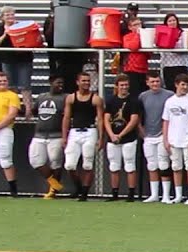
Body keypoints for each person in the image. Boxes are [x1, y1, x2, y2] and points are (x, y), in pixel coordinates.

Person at [60, 72, 103, 202]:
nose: (86, 83)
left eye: (88, 81)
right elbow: (66, 117)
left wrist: (101, 137)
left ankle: (84, 192)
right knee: (69, 165)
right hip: (74, 131)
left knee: (88, 164)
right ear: (77, 82)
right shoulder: (71, 98)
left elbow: (100, 119)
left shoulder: (96, 99)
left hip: (90, 131)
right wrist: (64, 136)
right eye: (83, 81)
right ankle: (78, 186)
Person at [161, 74, 188, 205]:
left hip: (187, 139)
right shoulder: (169, 101)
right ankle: (178, 195)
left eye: (187, 85)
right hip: (173, 139)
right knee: (176, 167)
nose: (185, 87)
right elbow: (166, 121)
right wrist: (165, 139)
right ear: (176, 84)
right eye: (182, 84)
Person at [103, 74, 142, 202]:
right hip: (113, 138)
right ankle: (114, 193)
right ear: (117, 86)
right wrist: (111, 134)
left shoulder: (134, 101)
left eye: (126, 85)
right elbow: (106, 119)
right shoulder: (110, 100)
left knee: (130, 165)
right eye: (122, 85)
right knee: (114, 166)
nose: (124, 87)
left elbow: (134, 120)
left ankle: (131, 194)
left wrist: (121, 135)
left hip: (128, 138)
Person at [0, 6, 34, 118]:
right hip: (7, 61)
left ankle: (28, 110)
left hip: (23, 60)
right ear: (2, 17)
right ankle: (13, 110)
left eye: (12, 14)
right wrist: (5, 34)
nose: (10, 17)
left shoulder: (21, 26)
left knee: (25, 86)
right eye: (7, 15)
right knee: (11, 86)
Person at [29, 76, 66, 199]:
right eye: (58, 82)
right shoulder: (41, 97)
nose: (60, 85)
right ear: (51, 82)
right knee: (35, 161)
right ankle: (55, 184)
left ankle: (53, 191)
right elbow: (35, 111)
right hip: (39, 134)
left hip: (56, 135)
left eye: (62, 83)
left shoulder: (65, 98)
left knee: (56, 162)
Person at [138, 71, 172, 203]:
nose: (155, 84)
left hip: (163, 135)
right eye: (152, 81)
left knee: (164, 164)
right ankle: (154, 194)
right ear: (147, 83)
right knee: (152, 165)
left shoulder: (169, 95)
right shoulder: (143, 96)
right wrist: (142, 133)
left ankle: (166, 195)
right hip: (148, 136)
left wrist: (167, 135)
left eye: (157, 81)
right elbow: (138, 117)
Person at [0, 69, 21, 196]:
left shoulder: (12, 96)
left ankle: (13, 189)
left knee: (5, 159)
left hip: (4, 130)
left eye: (4, 81)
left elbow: (12, 114)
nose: (2, 83)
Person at [121, 17, 153, 97]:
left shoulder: (146, 36)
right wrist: (138, 35)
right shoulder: (127, 37)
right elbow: (133, 47)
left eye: (139, 24)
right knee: (134, 94)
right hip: (131, 70)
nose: (138, 26)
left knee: (144, 94)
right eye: (135, 25)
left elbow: (149, 53)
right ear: (130, 27)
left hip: (143, 70)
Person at [157, 13, 188, 89]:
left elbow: (184, 47)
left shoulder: (183, 33)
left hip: (180, 65)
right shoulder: (162, 34)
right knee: (170, 88)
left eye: (174, 20)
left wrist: (170, 46)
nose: (172, 22)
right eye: (169, 21)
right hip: (168, 65)